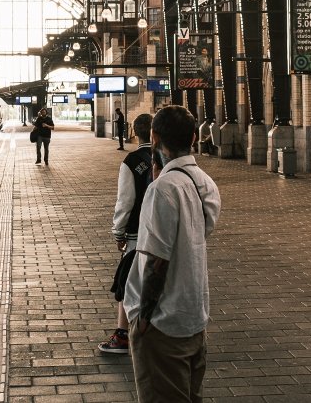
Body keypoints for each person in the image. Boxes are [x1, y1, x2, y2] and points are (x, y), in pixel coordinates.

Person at [122, 105, 221, 403]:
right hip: (193, 317)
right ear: (193, 137)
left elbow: (157, 259)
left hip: (163, 324)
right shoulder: (206, 183)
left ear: (154, 137)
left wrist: (143, 318)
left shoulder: (163, 188)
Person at [97, 112, 154, 355]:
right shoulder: (167, 158)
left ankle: (122, 335)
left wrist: (117, 231)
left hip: (136, 234)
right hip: (164, 232)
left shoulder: (132, 161)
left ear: (135, 132)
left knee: (127, 281)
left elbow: (125, 201)